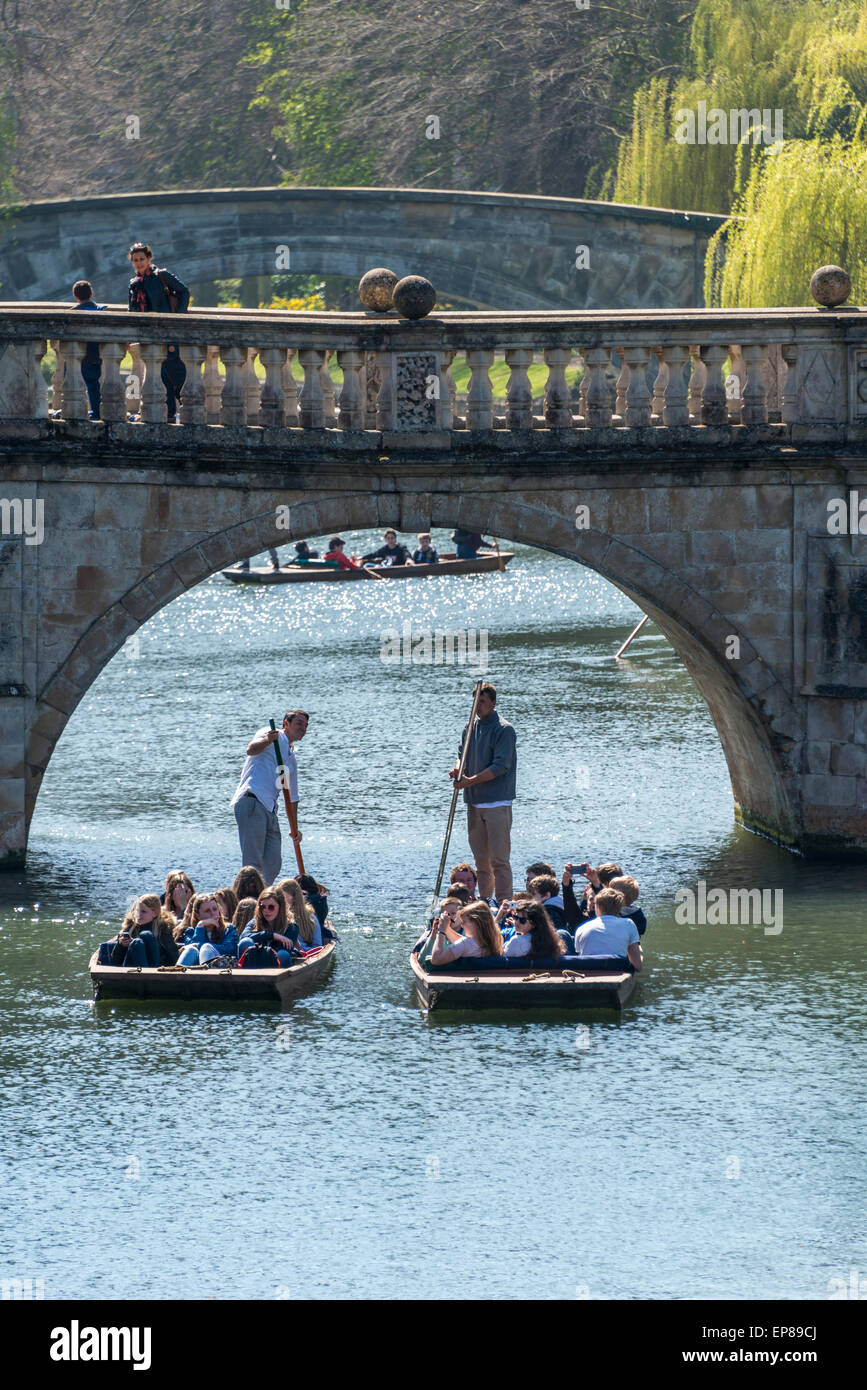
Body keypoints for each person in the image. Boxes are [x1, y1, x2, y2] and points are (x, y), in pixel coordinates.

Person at [449, 682, 516, 904]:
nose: (478, 706)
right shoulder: (469, 729)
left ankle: (505, 903)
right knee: (481, 861)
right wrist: (459, 769)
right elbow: (462, 754)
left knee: (499, 860)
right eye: (475, 701)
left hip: (497, 803)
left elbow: (500, 766)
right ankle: (486, 901)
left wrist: (469, 781)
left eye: (483, 701)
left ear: (493, 703)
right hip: (474, 803)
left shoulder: (504, 729)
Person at [229, 709, 308, 884]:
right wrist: (267, 740)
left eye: (306, 725)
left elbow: (293, 798)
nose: (303, 728)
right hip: (252, 800)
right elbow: (250, 750)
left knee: (273, 864)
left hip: (270, 810)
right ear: (286, 724)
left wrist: (294, 828)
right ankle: (246, 903)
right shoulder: (272, 735)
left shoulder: (291, 759)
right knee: (252, 865)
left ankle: (263, 900)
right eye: (299, 723)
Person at [126, 241, 190, 421]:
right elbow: (132, 311)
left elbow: (184, 292)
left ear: (149, 259)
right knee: (160, 375)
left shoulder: (161, 275)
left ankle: (190, 408)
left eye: (142, 259)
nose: (139, 263)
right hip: (148, 335)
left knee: (175, 372)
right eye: (135, 260)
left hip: (167, 333)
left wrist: (177, 318)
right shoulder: (134, 284)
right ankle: (169, 413)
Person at [573, 887, 643, 970]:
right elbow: (637, 966)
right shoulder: (628, 924)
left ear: (597, 906)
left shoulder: (581, 928)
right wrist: (640, 951)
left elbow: (580, 958)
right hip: (617, 970)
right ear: (620, 907)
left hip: (589, 973)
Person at [100, 894, 178, 967]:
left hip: (154, 970)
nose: (138, 915)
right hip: (129, 970)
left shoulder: (163, 930)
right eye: (137, 911)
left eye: (143, 912)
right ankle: (145, 975)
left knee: (146, 935)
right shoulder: (129, 929)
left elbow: (173, 958)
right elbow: (115, 962)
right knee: (137, 943)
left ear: (155, 913)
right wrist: (121, 945)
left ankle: (149, 974)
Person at [72, 280, 106, 419]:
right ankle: (96, 410)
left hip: (80, 354)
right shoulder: (100, 310)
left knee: (75, 384)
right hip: (96, 353)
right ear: (91, 294)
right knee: (94, 384)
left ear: (75, 296)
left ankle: (78, 410)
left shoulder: (74, 313)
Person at [430, 901, 503, 965]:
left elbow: (436, 960)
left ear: (476, 922)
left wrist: (442, 931)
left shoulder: (464, 944)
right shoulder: (496, 940)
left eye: (464, 922)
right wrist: (446, 928)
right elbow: (465, 943)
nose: (462, 926)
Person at [238, 887, 296, 967]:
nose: (266, 910)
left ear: (280, 907)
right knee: (245, 942)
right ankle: (245, 977)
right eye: (262, 907)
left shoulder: (292, 927)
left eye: (271, 907)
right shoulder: (255, 922)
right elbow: (243, 936)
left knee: (283, 954)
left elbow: (284, 949)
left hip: (275, 966)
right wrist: (272, 935)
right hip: (253, 963)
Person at [175, 893, 238, 965]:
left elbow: (229, 949)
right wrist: (200, 927)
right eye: (207, 911)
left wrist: (200, 945)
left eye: (215, 909)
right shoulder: (190, 932)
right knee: (191, 950)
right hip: (196, 969)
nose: (212, 913)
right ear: (197, 915)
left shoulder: (229, 930)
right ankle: (177, 975)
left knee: (206, 948)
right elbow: (193, 949)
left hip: (221, 969)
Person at [563, 860, 623, 929]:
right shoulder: (581, 919)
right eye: (592, 899)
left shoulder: (615, 915)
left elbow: (606, 904)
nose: (594, 902)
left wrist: (596, 883)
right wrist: (566, 884)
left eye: (596, 900)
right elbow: (570, 905)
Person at [275, 876, 322, 949]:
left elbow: (317, 945)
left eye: (283, 897)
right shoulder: (273, 914)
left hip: (303, 954)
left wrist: (301, 951)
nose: (278, 900)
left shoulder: (310, 917)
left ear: (294, 898)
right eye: (277, 896)